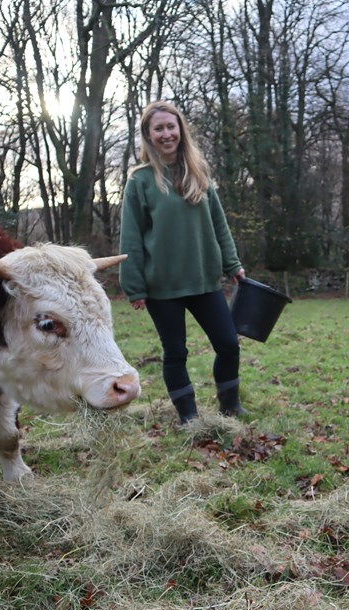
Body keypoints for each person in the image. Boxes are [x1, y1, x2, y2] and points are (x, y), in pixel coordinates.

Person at [119, 100, 247, 424]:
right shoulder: (140, 181)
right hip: (162, 286)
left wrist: (233, 264)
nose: (166, 134)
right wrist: (134, 286)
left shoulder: (198, 171)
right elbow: (131, 237)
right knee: (176, 352)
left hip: (205, 280)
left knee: (228, 344)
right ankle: (189, 418)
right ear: (148, 135)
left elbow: (219, 224)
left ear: (180, 130)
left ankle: (230, 407)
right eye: (158, 129)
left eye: (171, 126)